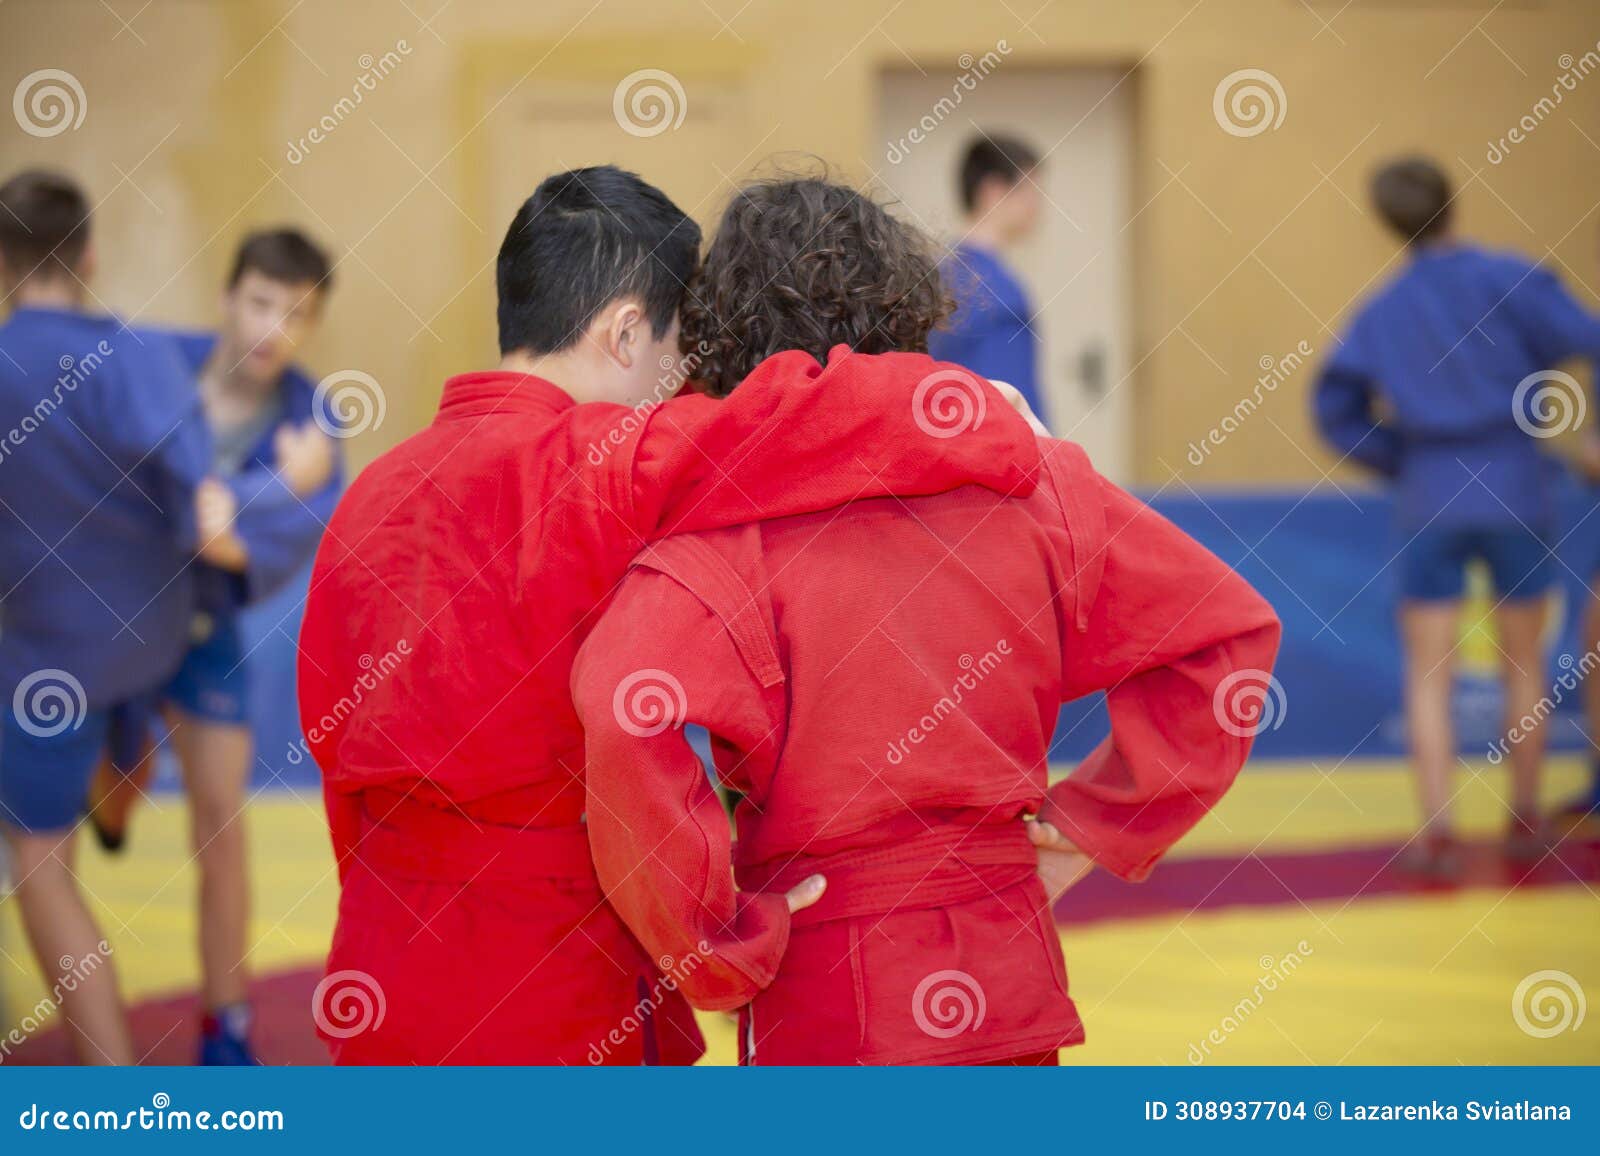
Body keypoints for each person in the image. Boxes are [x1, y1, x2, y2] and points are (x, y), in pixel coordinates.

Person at [295, 165, 1042, 1065]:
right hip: (559, 992)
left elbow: (339, 769)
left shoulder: (367, 496)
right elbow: (795, 424)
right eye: (676, 352)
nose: (682, 386)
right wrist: (976, 411)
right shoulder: (605, 463)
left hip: (380, 975)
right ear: (625, 332)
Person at [571, 176, 1281, 1065]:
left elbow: (620, 708)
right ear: (906, 305)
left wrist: (712, 942)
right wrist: (1097, 822)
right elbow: (1227, 636)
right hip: (1008, 973)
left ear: (724, 326)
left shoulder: (726, 524)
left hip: (828, 984)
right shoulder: (1028, 476)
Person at [85, 228, 341, 1064]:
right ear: (229, 297)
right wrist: (276, 487)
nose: (274, 328)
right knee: (70, 810)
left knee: (220, 824)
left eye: (296, 315)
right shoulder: (153, 366)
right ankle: (118, 770)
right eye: (262, 303)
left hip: (202, 629)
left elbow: (224, 545)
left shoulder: (312, 423)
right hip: (107, 617)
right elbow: (142, 503)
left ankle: (226, 1024)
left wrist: (243, 511)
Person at [1314, 156, 1600, 878]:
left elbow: (1334, 407)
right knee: (1523, 662)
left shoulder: (1382, 309)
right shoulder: (1510, 278)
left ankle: (1438, 831)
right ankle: (1525, 816)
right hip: (1516, 485)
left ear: (1388, 223)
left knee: (1429, 671)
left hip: (1431, 491)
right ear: (1454, 202)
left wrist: (1398, 457)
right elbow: (1591, 339)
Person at [0, 169, 220, 1063]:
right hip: (149, 643)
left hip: (38, 666)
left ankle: (111, 1082)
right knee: (124, 726)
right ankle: (123, 762)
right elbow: (198, 493)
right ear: (88, 255)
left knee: (39, 864)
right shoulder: (136, 357)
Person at [928, 134, 1048, 427]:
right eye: (1030, 192)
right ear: (994, 191)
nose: (1038, 207)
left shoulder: (940, 274)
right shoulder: (997, 290)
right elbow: (1012, 401)